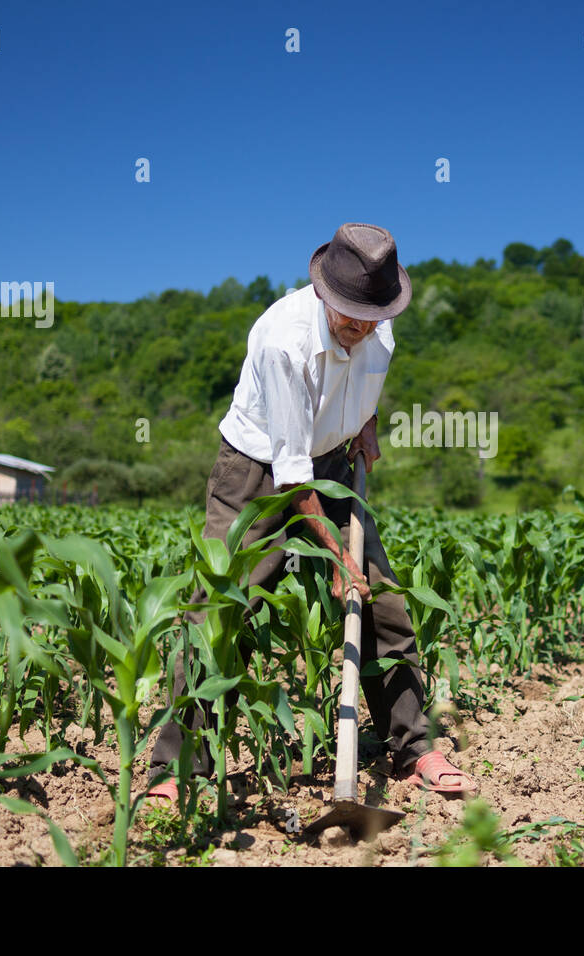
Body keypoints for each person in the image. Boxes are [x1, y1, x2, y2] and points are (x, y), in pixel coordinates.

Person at [146, 223, 477, 803]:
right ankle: (175, 767)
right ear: (325, 293)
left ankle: (415, 745)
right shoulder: (283, 340)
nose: (362, 327)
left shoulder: (378, 323)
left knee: (385, 603)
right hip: (260, 470)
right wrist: (333, 557)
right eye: (350, 316)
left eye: (371, 316)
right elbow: (292, 475)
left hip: (334, 462)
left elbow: (361, 383)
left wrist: (364, 422)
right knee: (221, 608)